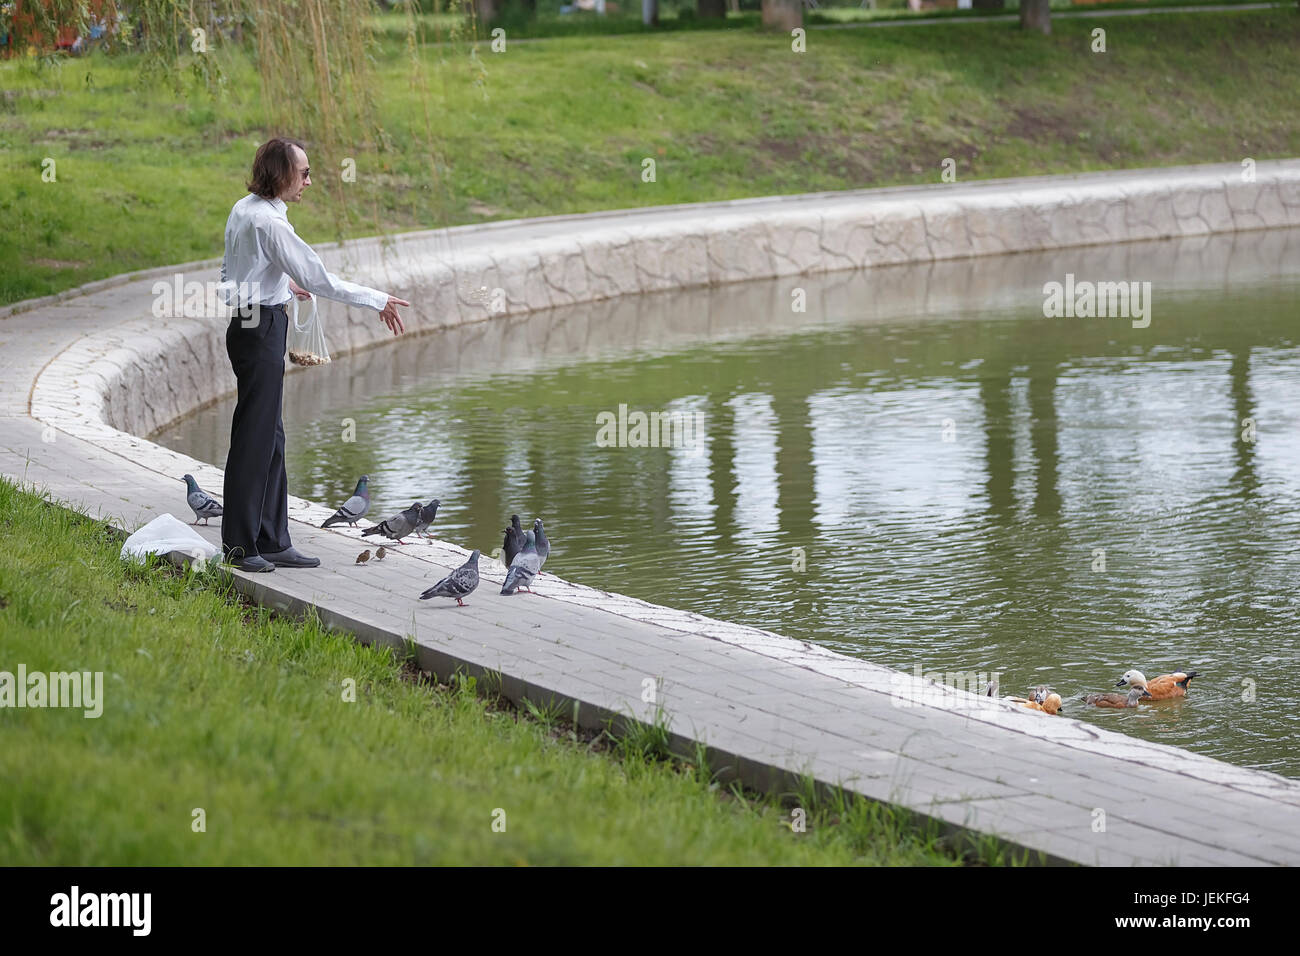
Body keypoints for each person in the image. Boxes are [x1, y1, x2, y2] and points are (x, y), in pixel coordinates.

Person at [219, 136, 409, 572]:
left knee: (272, 437)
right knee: (254, 439)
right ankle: (240, 547)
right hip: (261, 328)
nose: (309, 180)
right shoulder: (271, 224)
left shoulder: (243, 209)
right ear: (281, 174)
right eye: (303, 173)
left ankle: (271, 538)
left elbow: (233, 271)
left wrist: (281, 285)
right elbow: (320, 278)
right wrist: (376, 299)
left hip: (251, 323)